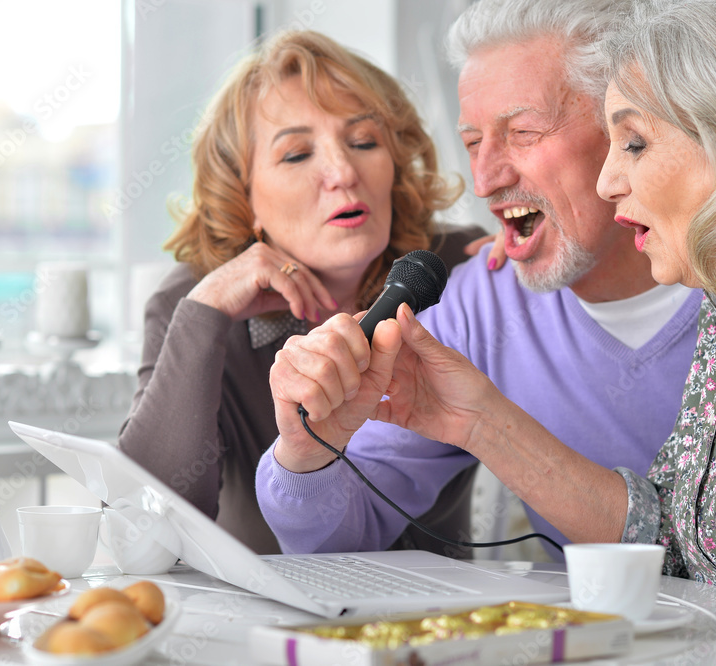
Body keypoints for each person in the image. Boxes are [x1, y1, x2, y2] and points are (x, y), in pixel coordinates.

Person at [267, 0, 716, 659]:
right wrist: (475, 422)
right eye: (471, 143)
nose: (485, 177)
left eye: (632, 142)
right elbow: (680, 547)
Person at [256, 0, 702, 560]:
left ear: (629, 130)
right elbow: (339, 535)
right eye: (472, 142)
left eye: (523, 132)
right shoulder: (479, 304)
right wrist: (304, 452)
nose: (485, 178)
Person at [118, 30, 487, 555]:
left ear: (396, 166)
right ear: (243, 198)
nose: (342, 173)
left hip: (440, 621)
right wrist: (203, 317)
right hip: (263, 622)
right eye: (296, 155)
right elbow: (145, 524)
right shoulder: (194, 301)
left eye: (364, 142)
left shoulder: (459, 269)